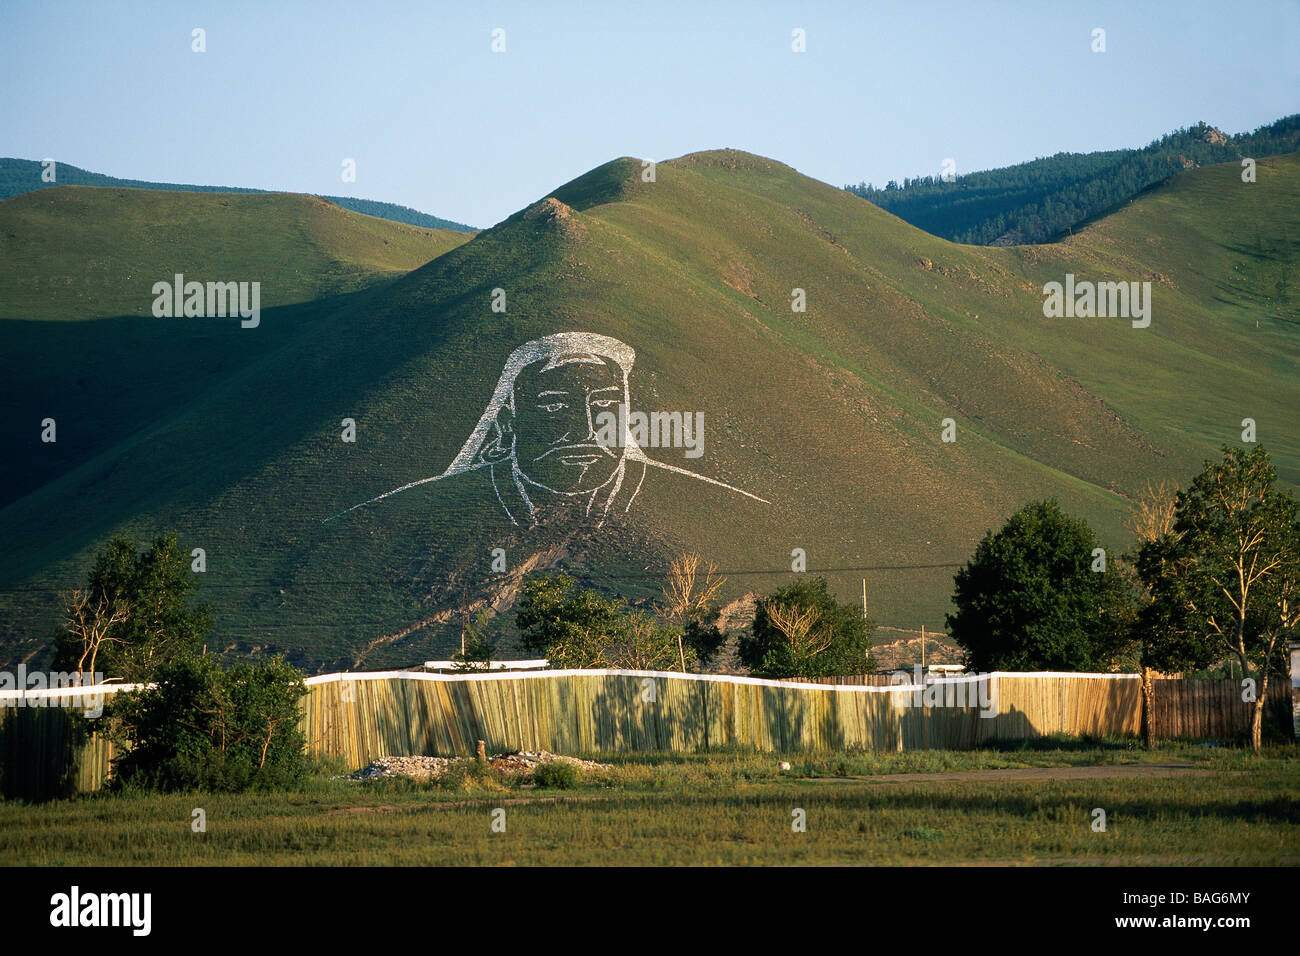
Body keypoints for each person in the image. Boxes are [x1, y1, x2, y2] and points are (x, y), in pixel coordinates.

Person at [326, 331, 766, 527]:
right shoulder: (411, 512)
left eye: (605, 405)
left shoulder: (723, 507)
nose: (583, 430)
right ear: (509, 418)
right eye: (554, 406)